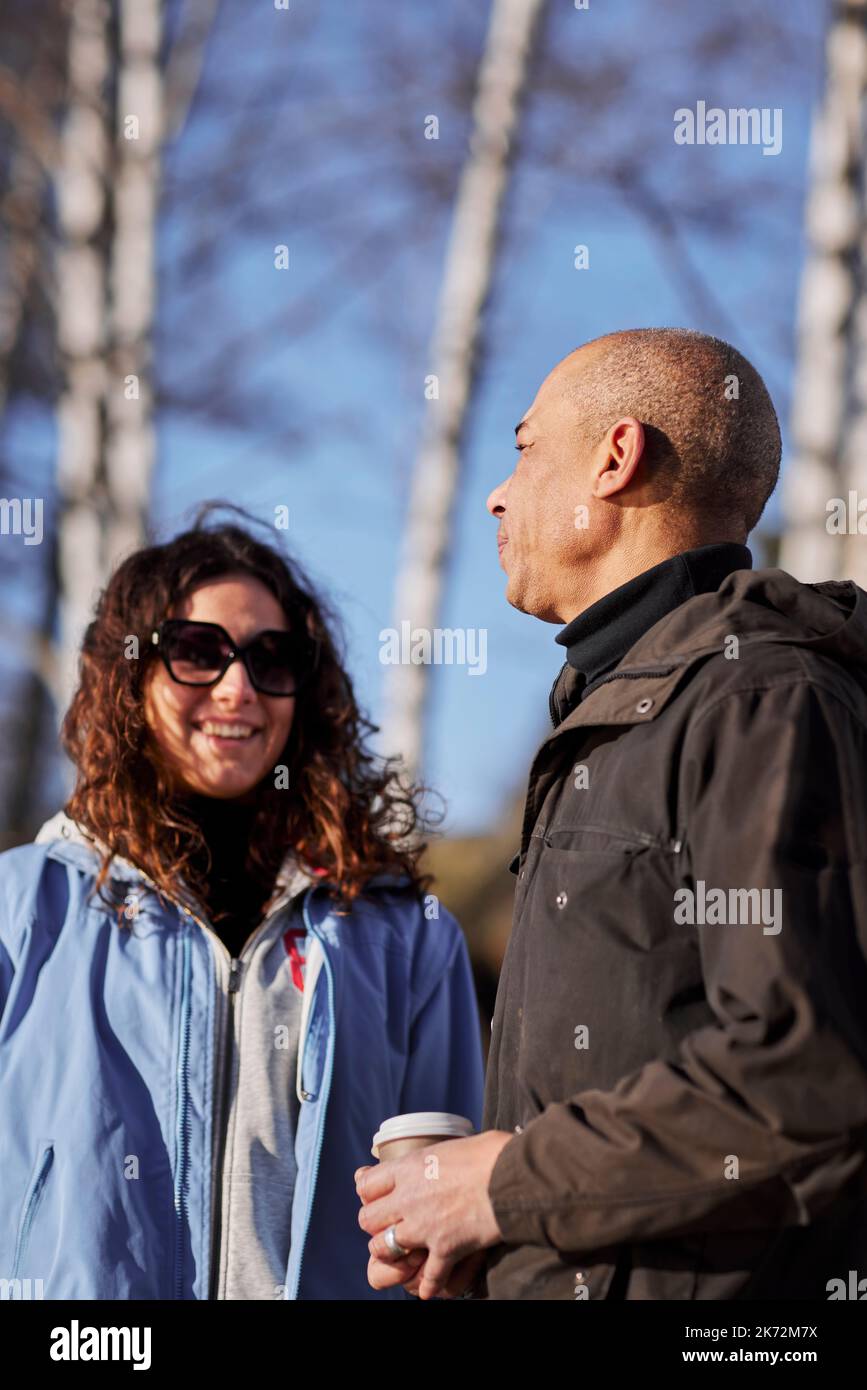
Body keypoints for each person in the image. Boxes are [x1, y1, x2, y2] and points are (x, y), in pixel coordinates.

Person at [356, 327, 867, 1301]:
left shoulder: (761, 703)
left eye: (525, 448)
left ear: (616, 457)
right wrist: (485, 1236)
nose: (499, 492)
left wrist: (501, 1188)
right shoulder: (623, 713)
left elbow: (809, 1076)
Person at [0, 505, 484, 1300]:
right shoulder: (21, 909)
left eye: (273, 658)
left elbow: (447, 1232)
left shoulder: (404, 937)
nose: (238, 688)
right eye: (198, 652)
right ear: (129, 677)